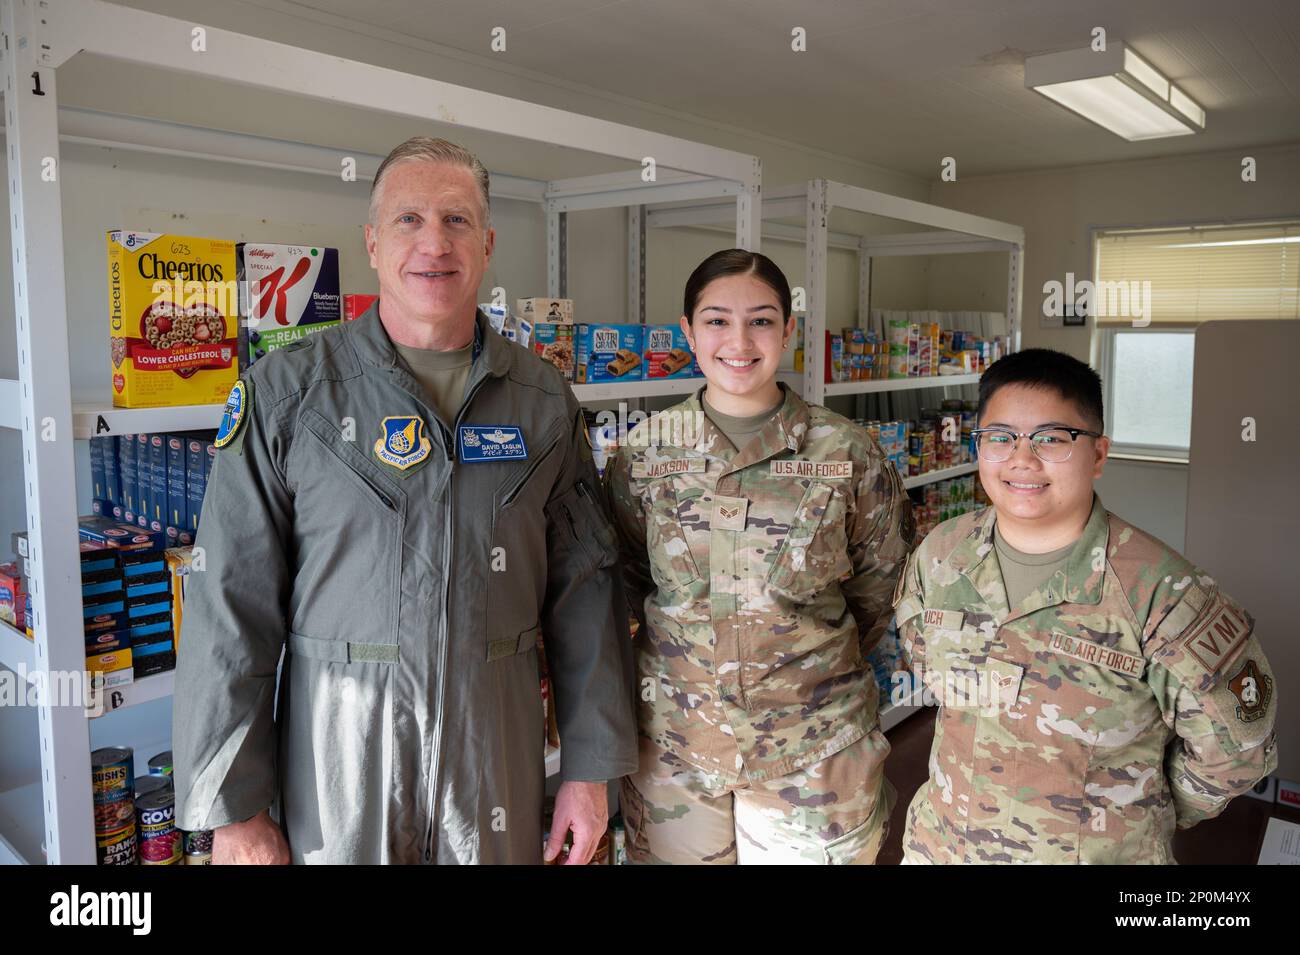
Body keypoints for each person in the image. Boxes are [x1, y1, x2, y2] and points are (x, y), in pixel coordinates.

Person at [173, 136, 637, 864]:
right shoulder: (288, 395)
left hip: (494, 759)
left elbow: (585, 590)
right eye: (408, 219)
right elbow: (229, 603)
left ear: (485, 245)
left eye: (456, 221)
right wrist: (231, 807)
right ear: (371, 242)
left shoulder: (542, 401)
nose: (434, 242)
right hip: (338, 767)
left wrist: (589, 764)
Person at [893, 348, 1278, 864]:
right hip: (941, 846)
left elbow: (1233, 755)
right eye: (999, 437)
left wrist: (1132, 811)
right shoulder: (940, 554)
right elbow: (924, 667)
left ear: (1098, 454)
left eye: (1052, 438)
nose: (1022, 460)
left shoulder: (1166, 595)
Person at [604, 249, 914, 864]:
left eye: (762, 320)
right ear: (687, 331)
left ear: (789, 330)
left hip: (814, 749)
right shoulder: (643, 453)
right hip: (679, 748)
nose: (739, 341)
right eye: (717, 320)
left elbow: (881, 590)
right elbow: (631, 578)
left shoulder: (847, 451)